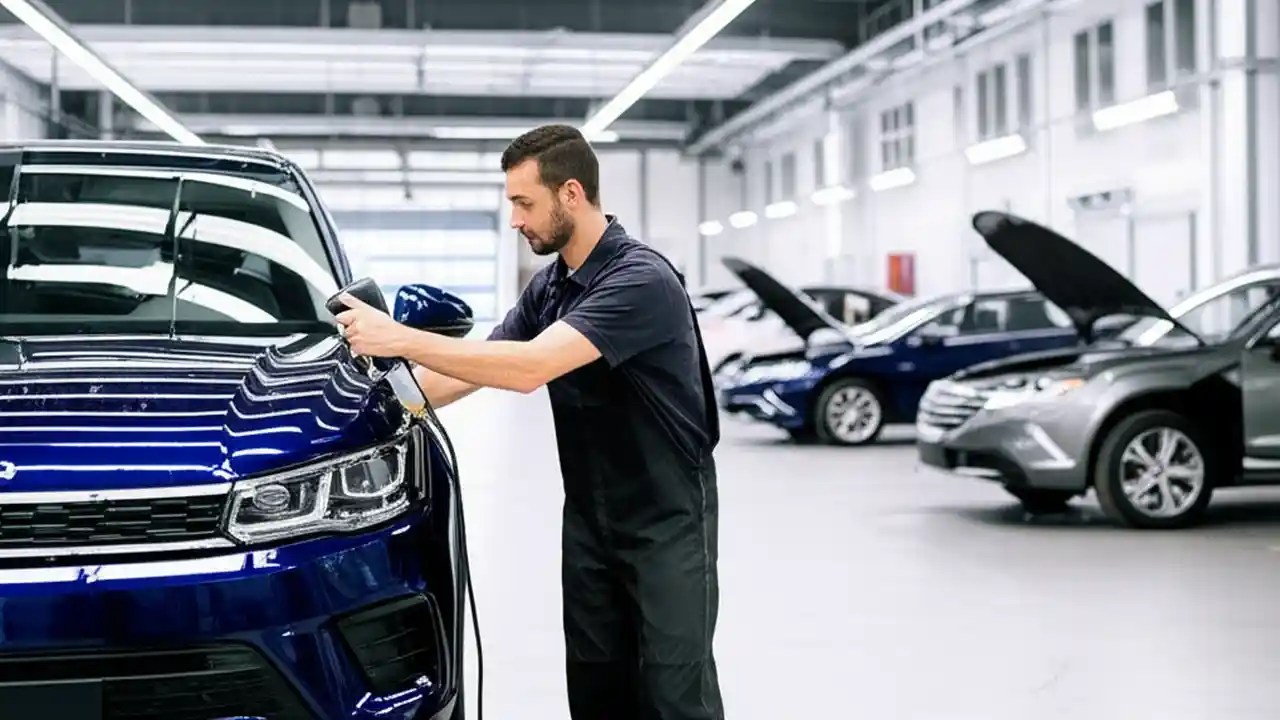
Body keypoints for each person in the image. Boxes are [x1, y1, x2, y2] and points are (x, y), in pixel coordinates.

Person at [333, 124, 725, 720]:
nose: (515, 220)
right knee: (596, 688)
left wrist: (400, 336)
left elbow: (529, 367)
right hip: (592, 521)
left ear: (571, 193)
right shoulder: (551, 287)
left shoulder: (640, 280)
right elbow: (469, 373)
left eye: (524, 203)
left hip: (666, 522)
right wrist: (375, 401)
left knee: (674, 693)